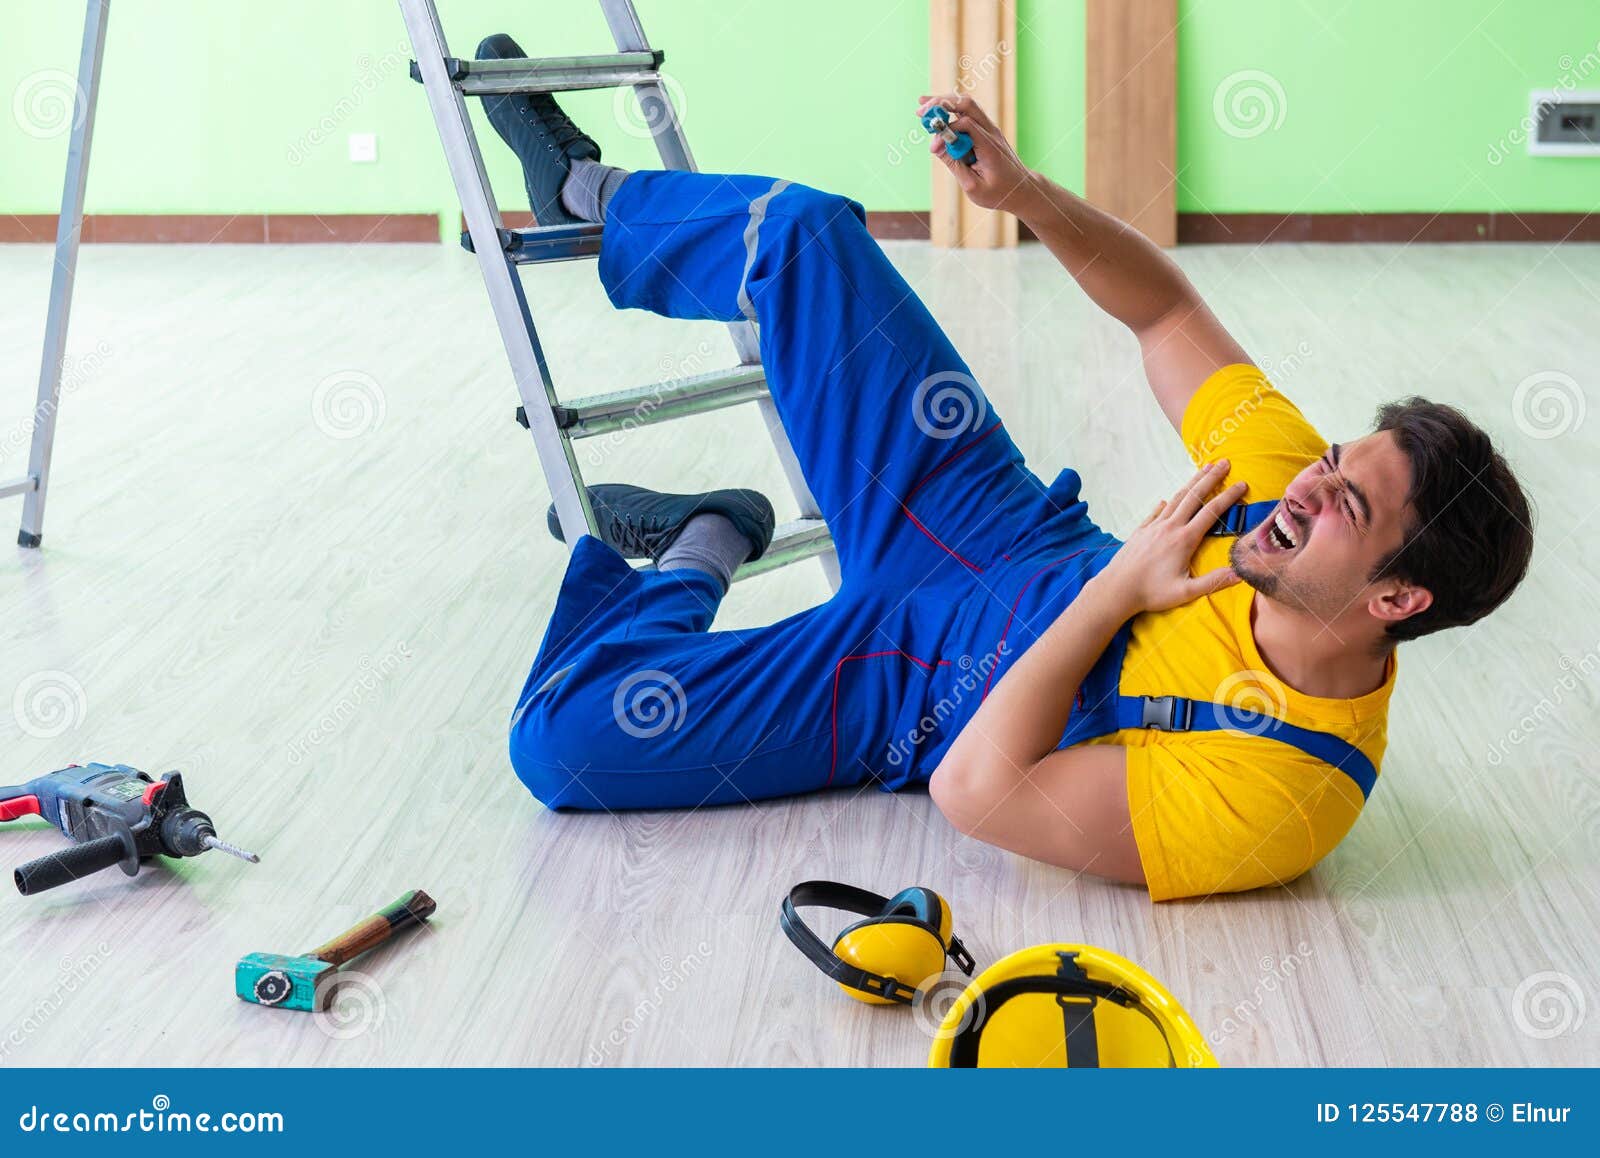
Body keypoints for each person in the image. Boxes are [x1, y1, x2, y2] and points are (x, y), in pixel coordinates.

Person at [478, 35, 1534, 900]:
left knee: (559, 742)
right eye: (1333, 456)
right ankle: (590, 192)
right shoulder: (1282, 486)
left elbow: (982, 788)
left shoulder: (1283, 794)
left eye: (1345, 499)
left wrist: (1124, 585)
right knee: (802, 233)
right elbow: (1164, 310)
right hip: (984, 523)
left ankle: (706, 542)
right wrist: (1025, 193)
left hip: (905, 686)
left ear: (1397, 595)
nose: (1308, 480)